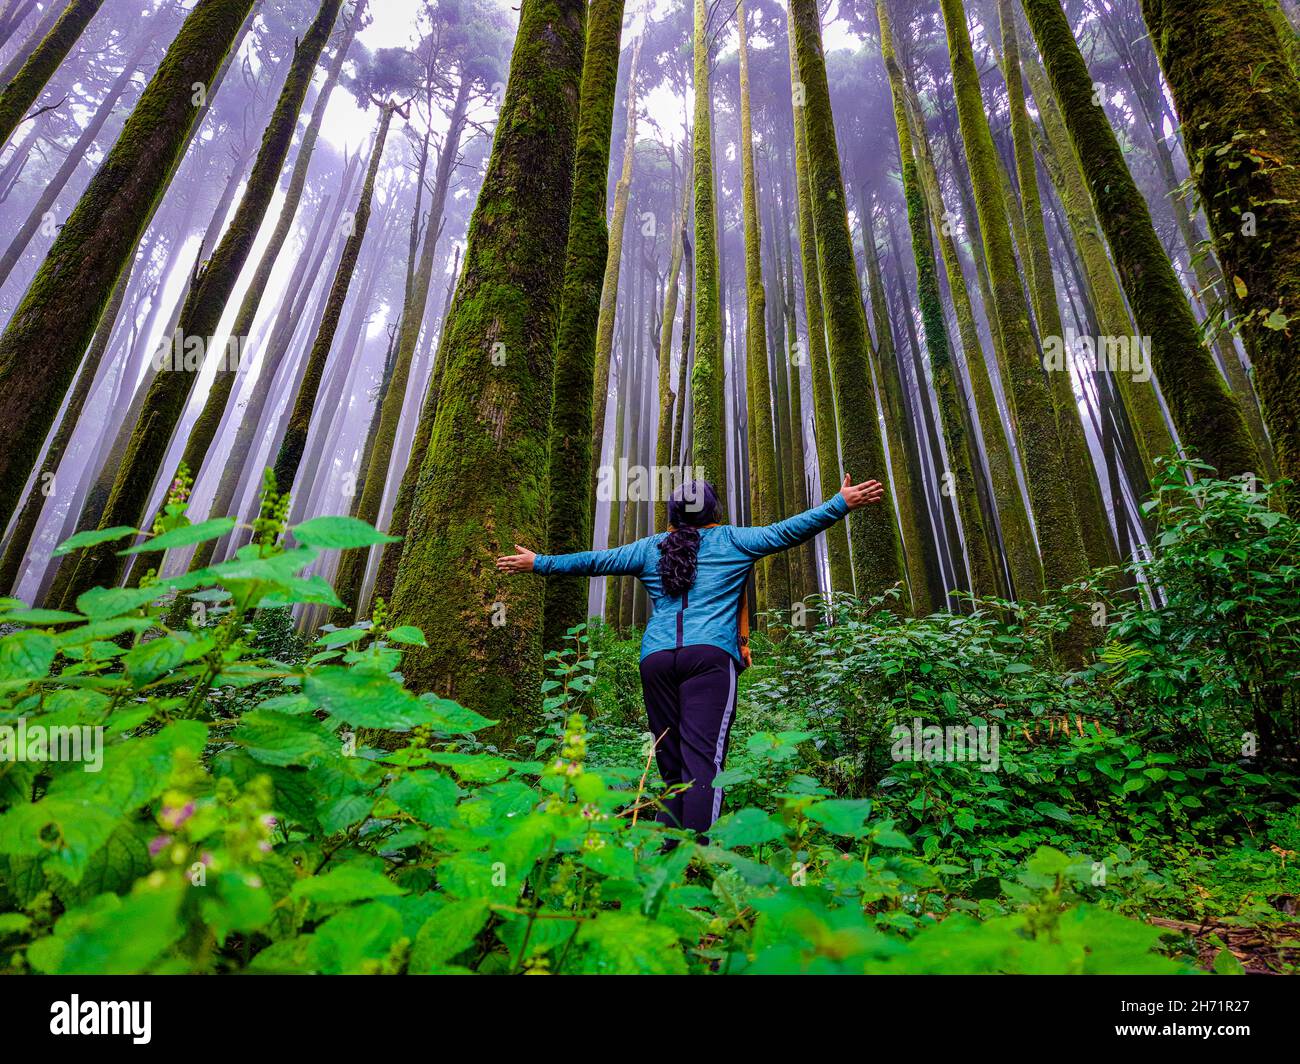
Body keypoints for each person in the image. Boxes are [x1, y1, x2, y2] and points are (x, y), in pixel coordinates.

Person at [496, 474, 884, 838]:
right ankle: (696, 856)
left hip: (657, 660)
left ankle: (667, 848)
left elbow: (594, 561)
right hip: (709, 658)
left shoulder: (649, 548)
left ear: (672, 516)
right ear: (714, 513)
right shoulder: (734, 540)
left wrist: (539, 563)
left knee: (670, 762)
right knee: (704, 763)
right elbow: (789, 531)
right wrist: (840, 503)